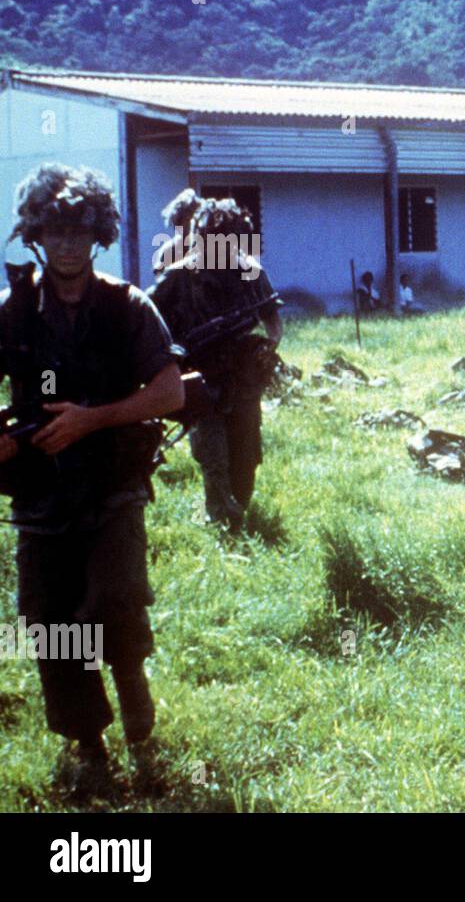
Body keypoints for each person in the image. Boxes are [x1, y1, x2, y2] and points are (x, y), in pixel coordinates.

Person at [1, 163, 184, 792]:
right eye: (55, 232)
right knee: (52, 624)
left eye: (79, 231)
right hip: (40, 494)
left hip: (112, 485)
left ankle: (138, 720)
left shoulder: (127, 305)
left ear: (98, 233)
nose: (68, 244)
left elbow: (169, 392)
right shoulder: (15, 313)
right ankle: (89, 749)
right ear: (36, 235)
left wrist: (92, 419)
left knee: (114, 601)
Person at [149, 198, 283, 529]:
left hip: (243, 380)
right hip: (198, 379)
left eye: (234, 241)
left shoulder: (250, 272)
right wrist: (169, 360)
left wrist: (268, 346)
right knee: (214, 457)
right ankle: (221, 523)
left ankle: (238, 513)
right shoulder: (179, 278)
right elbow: (146, 320)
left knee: (247, 456)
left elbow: (272, 319)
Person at [152, 188, 202, 276]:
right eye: (188, 218)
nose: (195, 224)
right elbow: (160, 283)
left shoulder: (202, 249)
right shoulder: (168, 250)